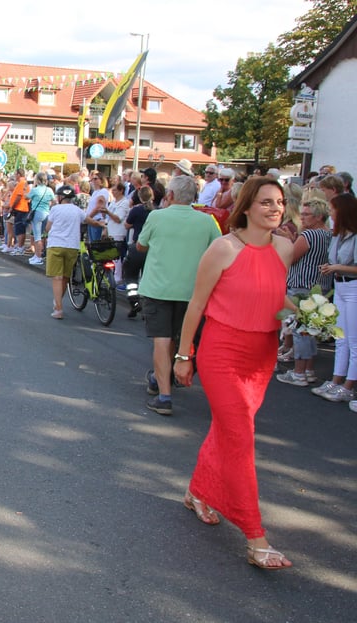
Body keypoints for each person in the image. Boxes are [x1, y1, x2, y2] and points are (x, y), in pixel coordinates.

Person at [173, 176, 294, 571]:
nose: (275, 208)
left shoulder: (285, 248)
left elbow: (274, 292)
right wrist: (183, 354)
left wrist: (307, 314)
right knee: (240, 437)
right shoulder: (223, 248)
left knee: (228, 430)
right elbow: (196, 304)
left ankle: (197, 491)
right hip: (222, 352)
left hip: (262, 356)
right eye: (265, 202)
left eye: (279, 202)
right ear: (245, 206)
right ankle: (256, 538)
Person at [137, 174, 222, 415]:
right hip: (192, 291)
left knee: (161, 340)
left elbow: (141, 245)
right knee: (178, 337)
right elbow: (218, 249)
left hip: (157, 288)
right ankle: (160, 378)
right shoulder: (207, 221)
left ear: (170, 195)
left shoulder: (156, 216)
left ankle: (164, 395)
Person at [276, 198, 331, 386]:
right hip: (320, 285)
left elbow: (291, 257)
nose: (302, 217)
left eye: (306, 214)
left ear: (318, 217)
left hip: (302, 285)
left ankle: (299, 372)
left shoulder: (308, 236)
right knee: (311, 329)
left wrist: (287, 241)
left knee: (301, 330)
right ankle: (307, 370)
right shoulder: (328, 235)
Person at [311, 193, 357, 402]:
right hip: (339, 286)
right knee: (340, 337)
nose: (330, 213)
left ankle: (348, 385)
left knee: (353, 340)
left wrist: (337, 267)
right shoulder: (336, 234)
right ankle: (336, 380)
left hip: (353, 286)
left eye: (332, 209)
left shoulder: (354, 236)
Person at [46, 185, 106, 319]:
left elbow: (48, 227)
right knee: (66, 276)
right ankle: (57, 303)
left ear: (60, 197)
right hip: (72, 246)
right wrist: (100, 224)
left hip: (56, 244)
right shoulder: (77, 210)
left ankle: (58, 309)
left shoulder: (55, 209)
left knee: (57, 277)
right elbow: (89, 220)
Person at [123, 186, 155, 317]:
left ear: (140, 197)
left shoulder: (136, 210)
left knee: (131, 277)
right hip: (152, 248)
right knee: (148, 278)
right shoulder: (157, 210)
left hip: (137, 246)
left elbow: (127, 225)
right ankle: (148, 307)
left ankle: (134, 303)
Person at [26, 172, 55, 266]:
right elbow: (54, 201)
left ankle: (38, 257)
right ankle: (37, 255)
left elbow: (26, 197)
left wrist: (25, 189)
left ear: (37, 180)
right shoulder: (49, 190)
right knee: (44, 235)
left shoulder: (35, 190)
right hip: (47, 213)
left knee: (37, 236)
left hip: (37, 213)